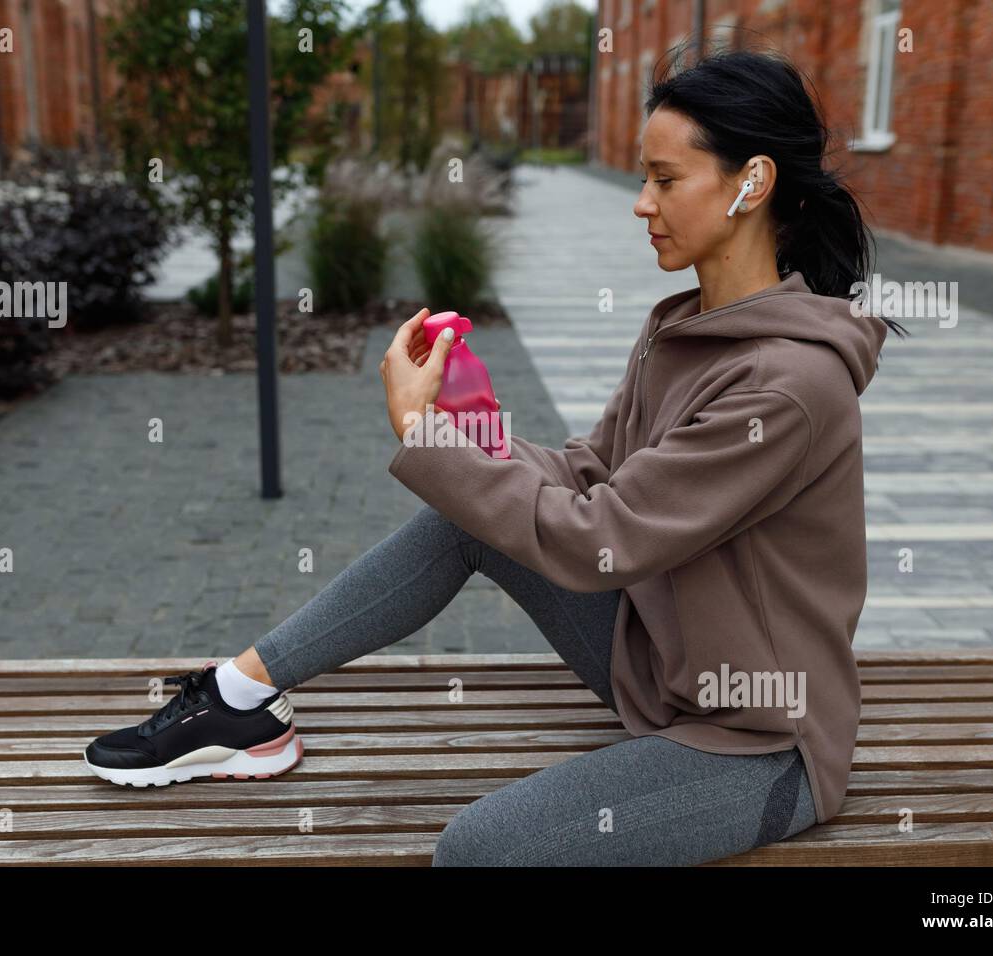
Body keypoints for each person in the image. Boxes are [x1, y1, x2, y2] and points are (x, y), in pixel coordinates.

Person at [83, 43, 907, 866]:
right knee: (465, 515)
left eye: (664, 179)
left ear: (752, 183)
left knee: (480, 850)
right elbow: (589, 473)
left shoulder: (788, 387)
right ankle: (240, 699)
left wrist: (422, 436)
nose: (641, 204)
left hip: (756, 742)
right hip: (661, 664)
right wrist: (454, 430)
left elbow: (597, 535)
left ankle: (241, 704)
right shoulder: (683, 325)